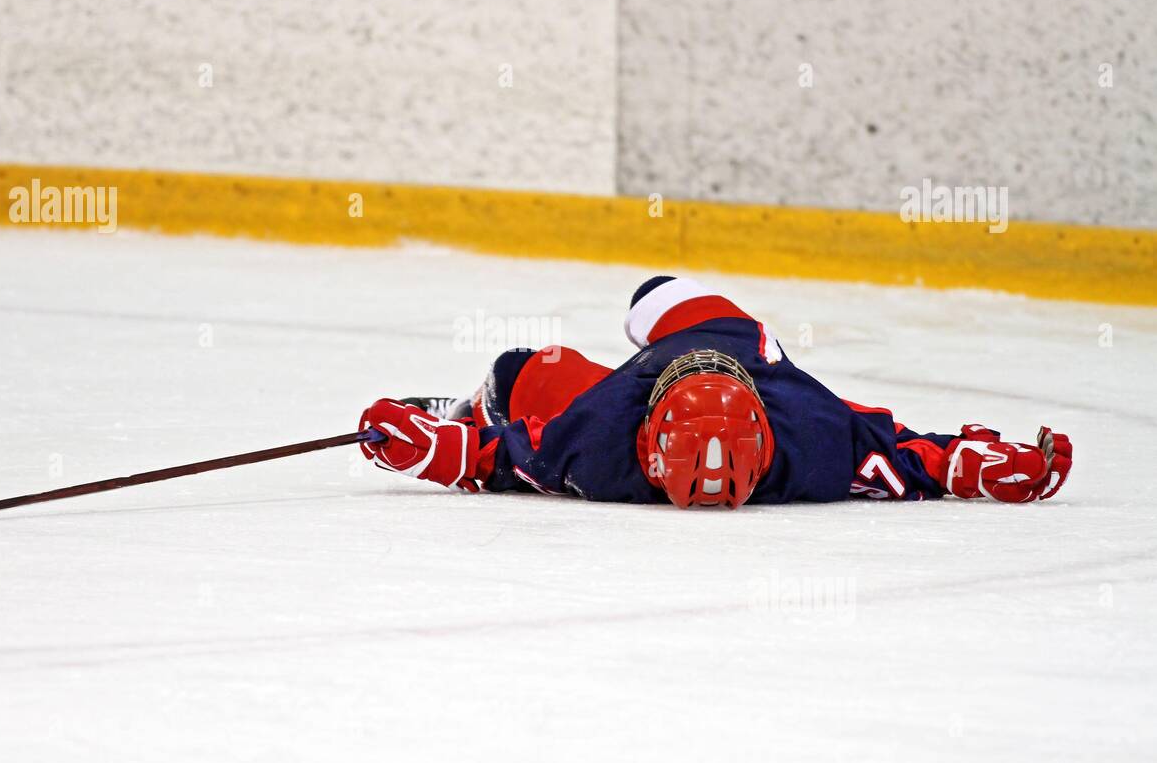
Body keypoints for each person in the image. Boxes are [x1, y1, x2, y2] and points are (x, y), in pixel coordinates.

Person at [358, 275, 1072, 508]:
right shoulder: (814, 436)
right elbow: (909, 454)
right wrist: (965, 464)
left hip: (666, 366)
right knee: (649, 299)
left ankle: (482, 388)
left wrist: (444, 443)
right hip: (718, 332)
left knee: (525, 371)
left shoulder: (600, 439)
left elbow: (503, 455)